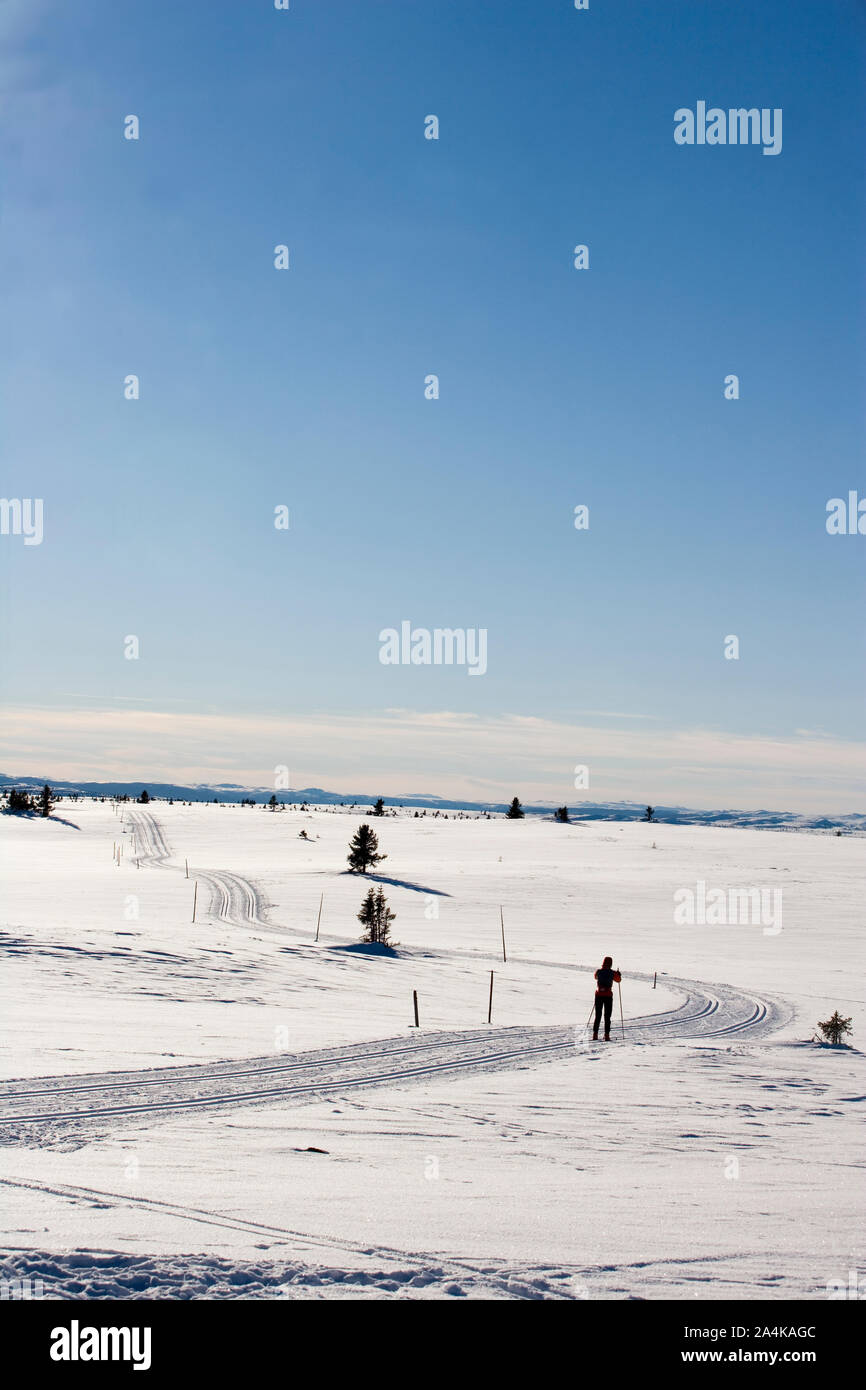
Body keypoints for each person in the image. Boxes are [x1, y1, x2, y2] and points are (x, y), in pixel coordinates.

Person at [593, 956, 622, 1040]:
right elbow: (618, 980)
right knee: (607, 1016)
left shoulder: (599, 971)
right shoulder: (612, 973)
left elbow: (595, 977)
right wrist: (618, 974)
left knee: (598, 1015)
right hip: (608, 996)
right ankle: (606, 1035)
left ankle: (595, 1034)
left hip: (599, 995)